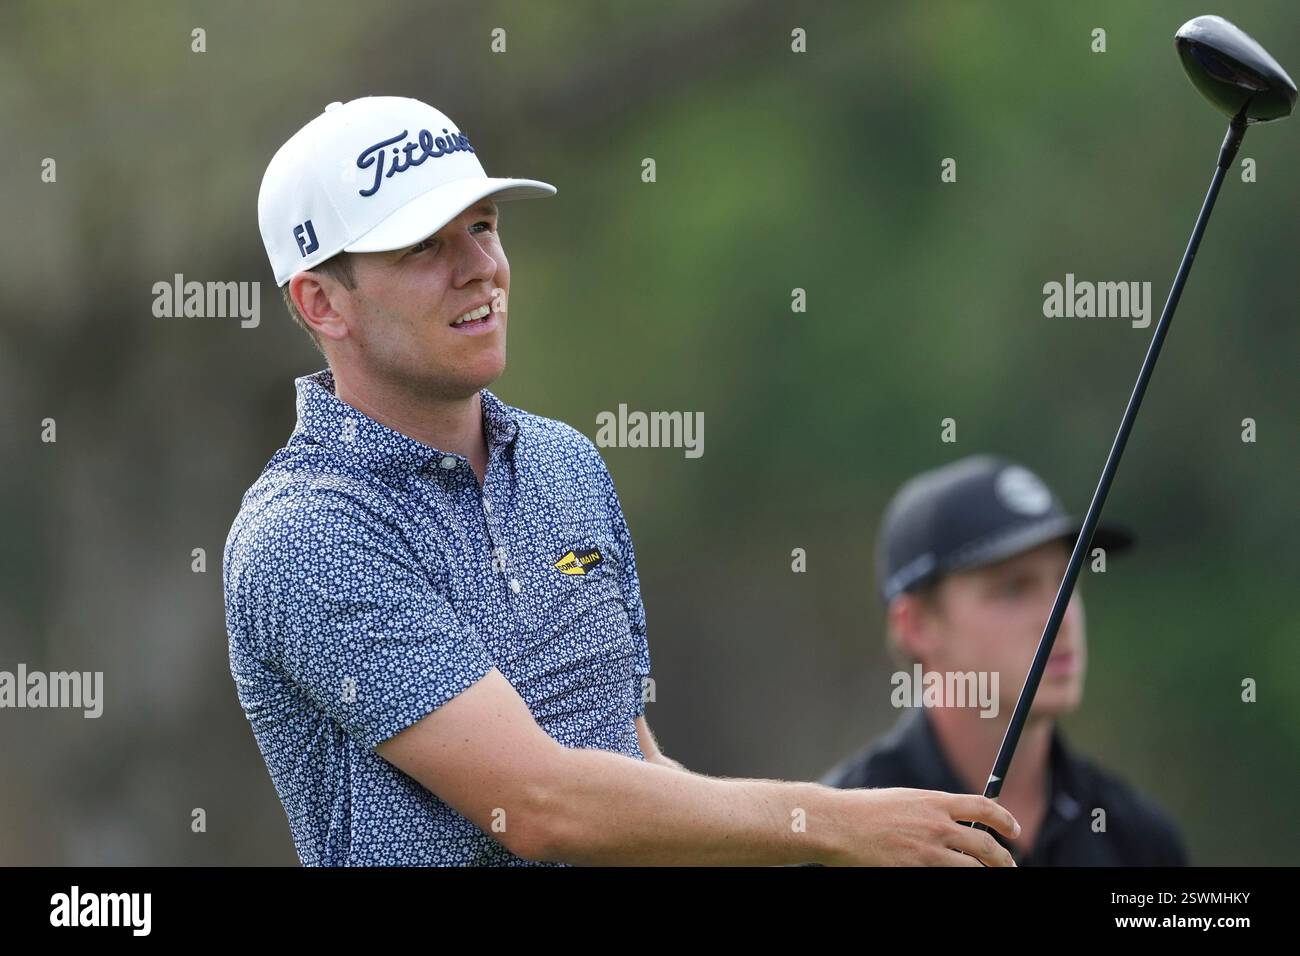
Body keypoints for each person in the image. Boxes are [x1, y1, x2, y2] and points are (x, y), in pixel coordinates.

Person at [223, 95, 1020, 866]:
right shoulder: (308, 533)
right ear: (323, 302)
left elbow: (636, 774)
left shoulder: (563, 462)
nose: (481, 269)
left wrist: (834, 855)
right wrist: (837, 824)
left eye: (483, 227)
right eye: (424, 247)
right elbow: (539, 805)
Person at [821, 455, 1189, 865]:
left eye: (1068, 581)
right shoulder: (840, 839)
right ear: (916, 625)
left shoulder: (1137, 839)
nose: (1062, 618)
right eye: (1015, 588)